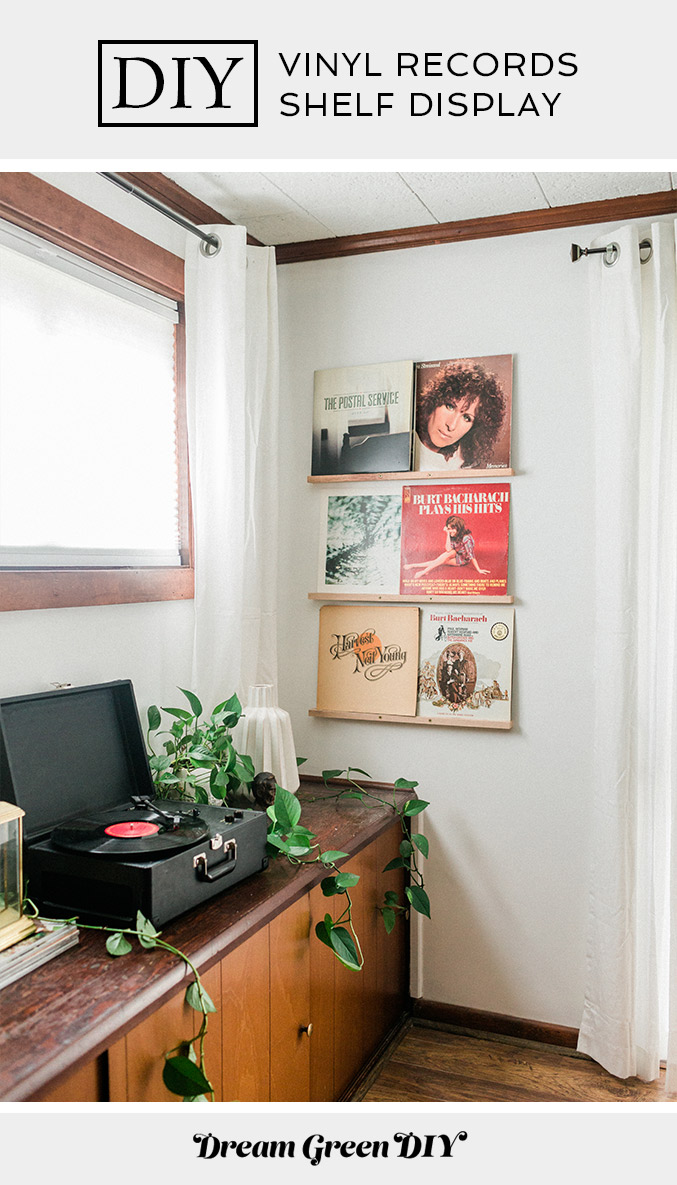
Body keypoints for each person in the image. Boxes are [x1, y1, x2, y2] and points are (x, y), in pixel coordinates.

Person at [415, 358, 507, 469]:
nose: (451, 425)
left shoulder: (460, 464)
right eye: (450, 406)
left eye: (466, 418)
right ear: (435, 400)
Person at [404, 515, 490, 578]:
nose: (450, 531)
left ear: (458, 528)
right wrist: (447, 533)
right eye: (449, 528)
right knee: (441, 559)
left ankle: (423, 571)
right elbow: (448, 549)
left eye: (452, 529)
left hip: (463, 559)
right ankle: (416, 567)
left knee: (439, 560)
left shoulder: (466, 538)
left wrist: (479, 570)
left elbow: (471, 555)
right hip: (455, 553)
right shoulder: (453, 534)